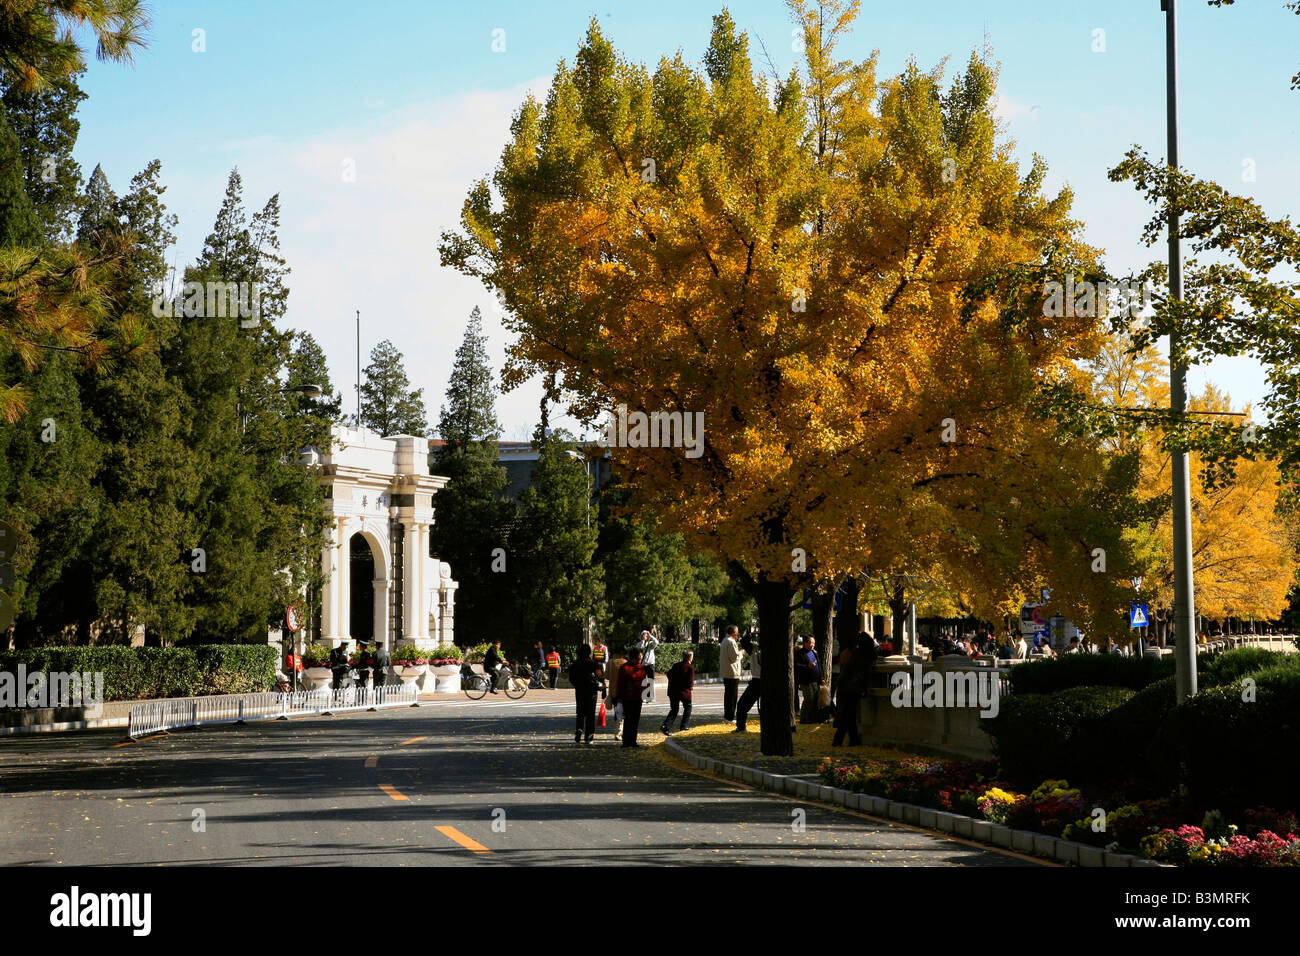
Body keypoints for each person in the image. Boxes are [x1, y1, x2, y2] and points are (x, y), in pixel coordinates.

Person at [832, 634, 875, 747]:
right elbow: (867, 673)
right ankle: (851, 739)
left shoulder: (856, 653)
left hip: (847, 686)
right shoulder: (871, 654)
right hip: (856, 687)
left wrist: (839, 682)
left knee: (847, 714)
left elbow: (847, 669)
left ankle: (841, 740)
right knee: (850, 714)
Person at [612, 647, 648, 747]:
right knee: (628, 720)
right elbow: (620, 684)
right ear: (634, 658)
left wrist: (647, 694)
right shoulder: (624, 668)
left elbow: (645, 682)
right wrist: (619, 699)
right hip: (627, 698)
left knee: (635, 720)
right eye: (639, 658)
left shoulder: (641, 668)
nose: (640, 660)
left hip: (638, 698)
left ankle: (633, 741)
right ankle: (626, 741)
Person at [568, 645, 601, 744]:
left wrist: (577, 684)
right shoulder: (594, 664)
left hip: (580, 691)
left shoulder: (575, 664)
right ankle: (589, 736)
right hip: (591, 692)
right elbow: (600, 676)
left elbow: (571, 678)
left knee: (580, 713)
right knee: (590, 714)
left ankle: (579, 730)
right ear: (589, 652)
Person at [662, 650, 694, 735]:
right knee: (688, 706)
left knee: (674, 709)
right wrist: (690, 689)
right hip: (683, 691)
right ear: (690, 657)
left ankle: (666, 726)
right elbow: (690, 681)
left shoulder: (676, 665)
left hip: (673, 690)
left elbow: (669, 674)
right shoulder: (689, 667)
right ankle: (684, 725)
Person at [734, 635, 761, 733]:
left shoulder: (754, 649)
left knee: (742, 705)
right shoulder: (754, 648)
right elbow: (744, 641)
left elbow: (744, 641)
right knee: (742, 705)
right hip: (757, 680)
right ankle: (741, 727)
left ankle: (741, 727)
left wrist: (752, 634)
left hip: (757, 681)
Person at [795, 636, 822, 722]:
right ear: (805, 643)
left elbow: (819, 666)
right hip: (805, 681)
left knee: (815, 699)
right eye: (811, 643)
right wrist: (807, 666)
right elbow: (796, 666)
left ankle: (812, 717)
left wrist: (822, 678)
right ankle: (803, 718)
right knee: (809, 698)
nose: (813, 645)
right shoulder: (800, 653)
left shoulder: (814, 652)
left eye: (814, 643)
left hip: (815, 680)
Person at [719, 625, 742, 720]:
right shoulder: (731, 642)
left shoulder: (724, 640)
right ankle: (730, 716)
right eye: (737, 632)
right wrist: (741, 653)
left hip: (726, 671)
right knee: (732, 696)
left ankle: (727, 715)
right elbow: (734, 657)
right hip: (732, 672)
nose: (737, 634)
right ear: (734, 632)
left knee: (728, 695)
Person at [637, 630, 659, 702]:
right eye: (644, 635)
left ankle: (651, 697)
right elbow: (640, 648)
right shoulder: (639, 643)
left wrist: (651, 636)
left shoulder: (651, 644)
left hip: (650, 664)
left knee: (651, 681)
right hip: (643, 665)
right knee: (642, 681)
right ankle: (643, 696)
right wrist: (643, 640)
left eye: (646, 635)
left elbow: (657, 642)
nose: (645, 636)